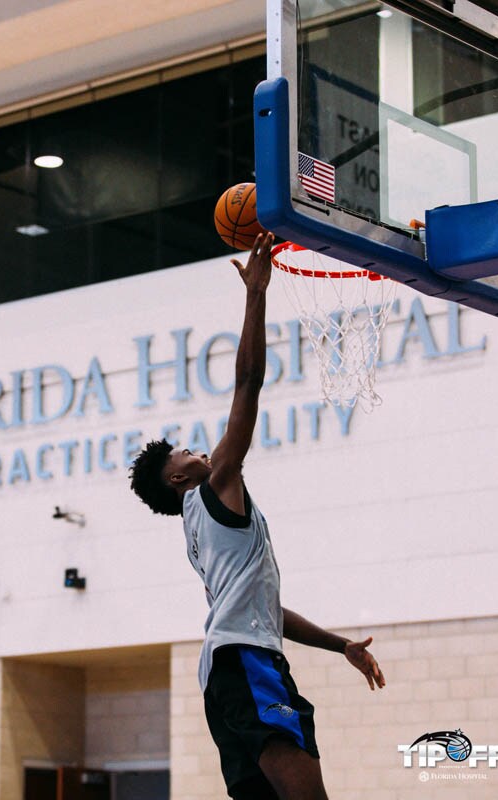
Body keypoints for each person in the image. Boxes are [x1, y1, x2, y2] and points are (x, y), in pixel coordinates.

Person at [129, 232, 385, 800]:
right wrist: (256, 293)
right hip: (247, 664)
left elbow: (267, 609)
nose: (198, 449)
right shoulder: (215, 486)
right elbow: (248, 383)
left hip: (226, 672)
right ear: (178, 479)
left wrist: (340, 644)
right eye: (185, 452)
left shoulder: (202, 531)